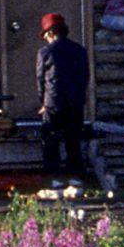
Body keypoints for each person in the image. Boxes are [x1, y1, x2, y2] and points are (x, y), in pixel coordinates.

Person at [36, 12, 91, 181]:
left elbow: (40, 80)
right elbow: (85, 77)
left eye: (45, 35)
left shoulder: (45, 52)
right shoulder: (79, 50)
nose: (45, 38)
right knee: (73, 141)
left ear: (51, 32)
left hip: (53, 102)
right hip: (75, 102)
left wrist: (42, 101)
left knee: (50, 142)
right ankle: (75, 179)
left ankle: (54, 180)